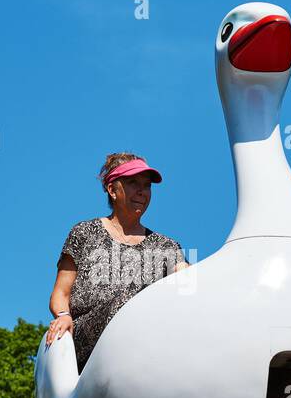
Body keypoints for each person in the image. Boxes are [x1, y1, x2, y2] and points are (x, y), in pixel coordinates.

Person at [46, 153, 187, 373]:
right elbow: (60, 294)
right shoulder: (84, 233)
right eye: (133, 183)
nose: (142, 191)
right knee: (131, 299)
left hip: (150, 342)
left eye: (146, 186)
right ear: (113, 190)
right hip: (88, 339)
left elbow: (188, 280)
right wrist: (64, 317)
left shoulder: (166, 246)